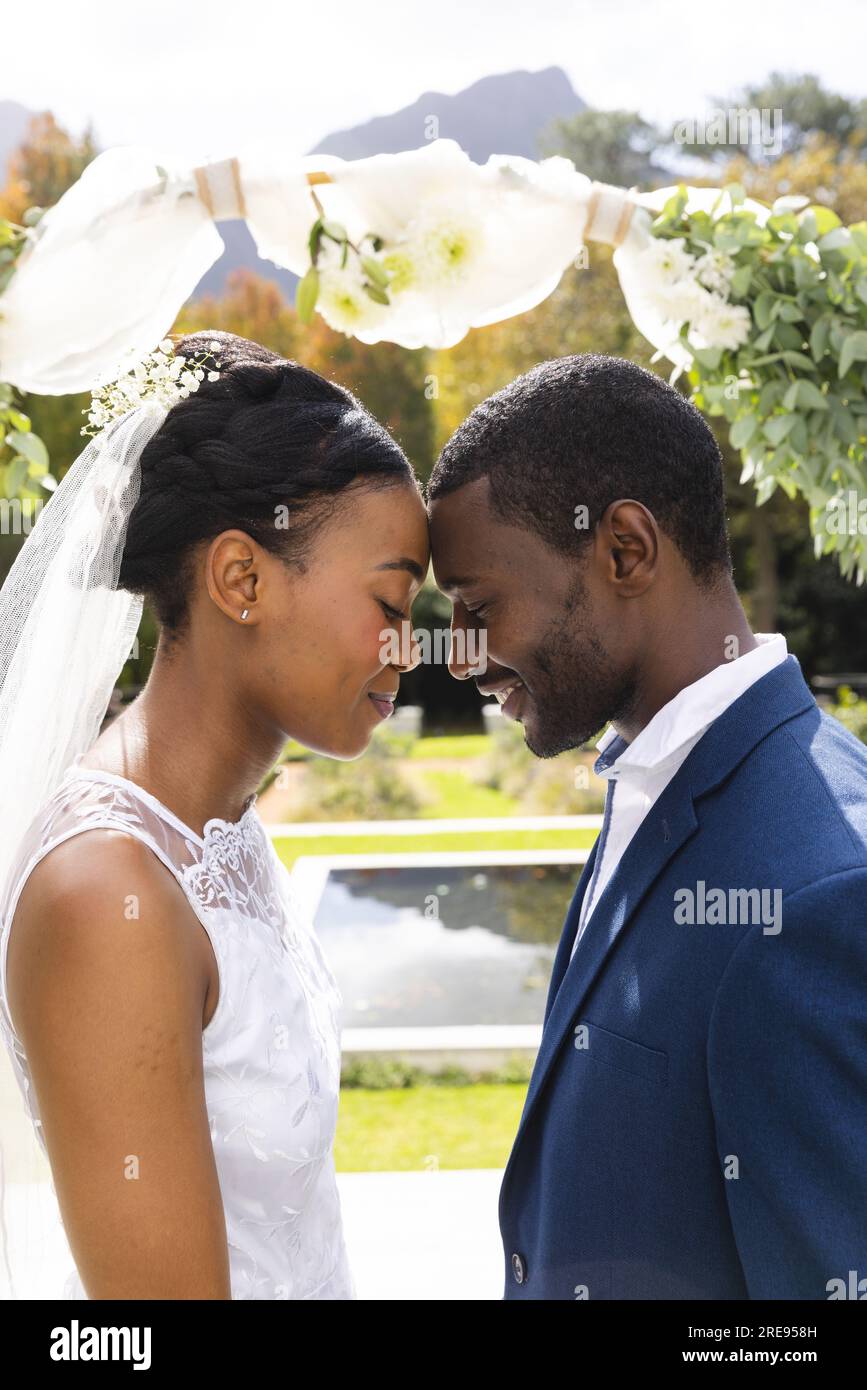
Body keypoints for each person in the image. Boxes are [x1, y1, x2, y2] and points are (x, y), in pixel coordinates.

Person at [427, 352, 867, 1300]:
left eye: (480, 609)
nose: (460, 661)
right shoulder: (659, 772)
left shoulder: (817, 895)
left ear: (623, 549)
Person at [0, 330, 429, 1299]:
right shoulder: (107, 893)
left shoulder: (216, 831)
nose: (410, 645)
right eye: (391, 599)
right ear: (241, 579)